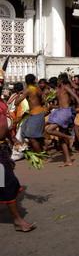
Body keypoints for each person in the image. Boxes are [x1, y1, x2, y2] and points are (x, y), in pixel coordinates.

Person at [0, 68, 36, 232]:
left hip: (2, 148)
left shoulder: (1, 103)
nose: (1, 85)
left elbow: (3, 126)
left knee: (7, 182)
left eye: (1, 82)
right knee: (8, 182)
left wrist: (13, 139)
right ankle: (17, 221)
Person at [45, 73, 79, 167]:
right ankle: (68, 160)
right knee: (61, 139)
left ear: (62, 81)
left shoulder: (66, 88)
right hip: (60, 111)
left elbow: (76, 98)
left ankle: (70, 137)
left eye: (58, 80)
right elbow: (59, 105)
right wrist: (50, 105)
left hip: (65, 112)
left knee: (49, 130)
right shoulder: (58, 90)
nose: (57, 82)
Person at [14, 74, 45, 154]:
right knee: (28, 131)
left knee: (32, 138)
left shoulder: (27, 90)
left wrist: (19, 94)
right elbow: (42, 101)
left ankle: (42, 156)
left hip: (35, 114)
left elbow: (16, 102)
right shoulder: (38, 89)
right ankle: (39, 152)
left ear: (26, 81)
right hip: (39, 113)